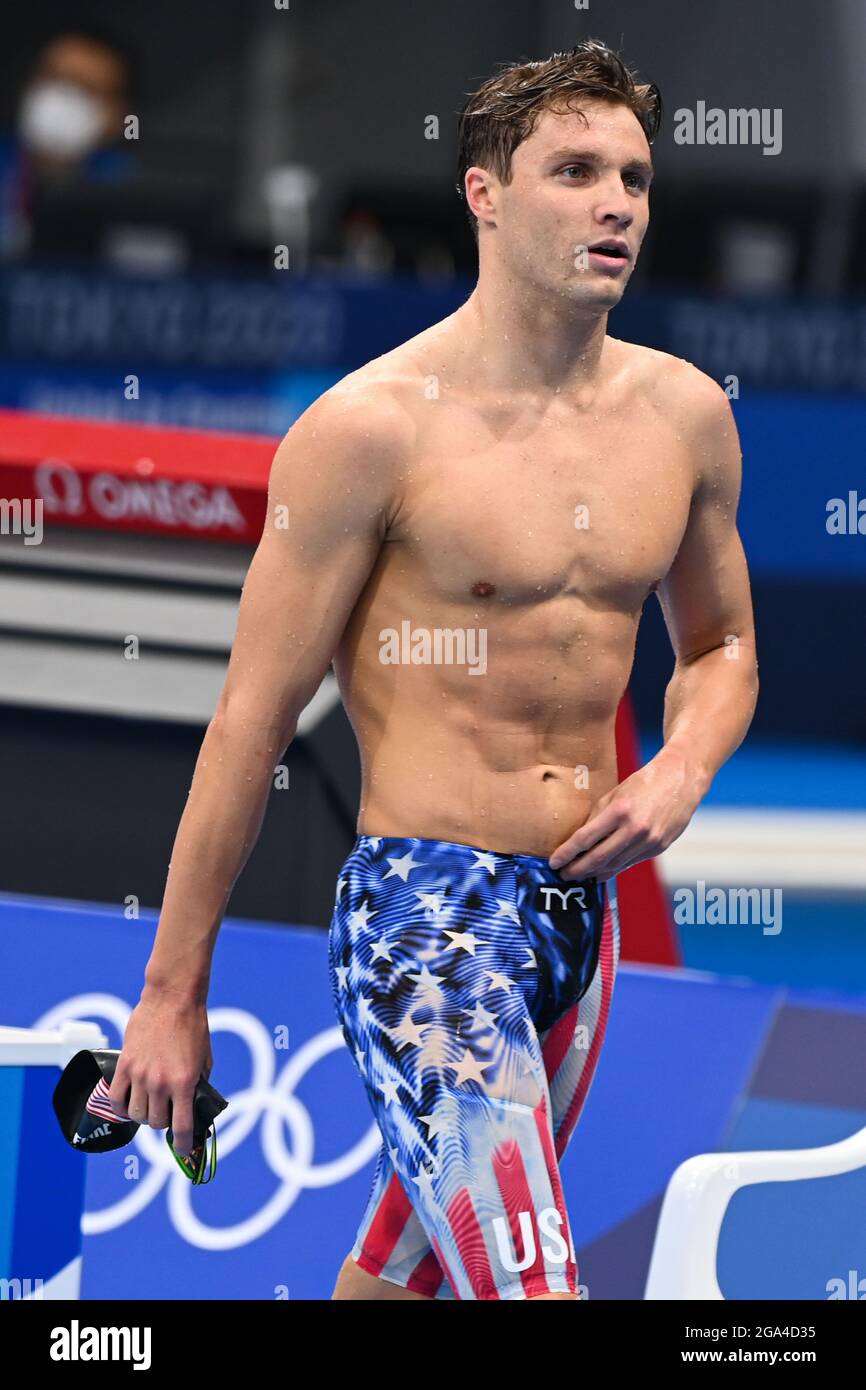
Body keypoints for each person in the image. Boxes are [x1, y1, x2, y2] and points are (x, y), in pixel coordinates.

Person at [111, 38, 758, 1300]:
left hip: (583, 917)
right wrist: (168, 994)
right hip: (426, 924)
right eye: (572, 171)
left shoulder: (685, 416)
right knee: (530, 1289)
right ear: (483, 191)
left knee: (398, 1281)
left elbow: (721, 648)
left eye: (631, 174)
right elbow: (247, 723)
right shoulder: (367, 431)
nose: (615, 202)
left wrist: (681, 767)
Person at [0, 23, 136, 256]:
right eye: (54, 77)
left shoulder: (132, 186)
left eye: (85, 88)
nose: (62, 98)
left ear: (117, 115)